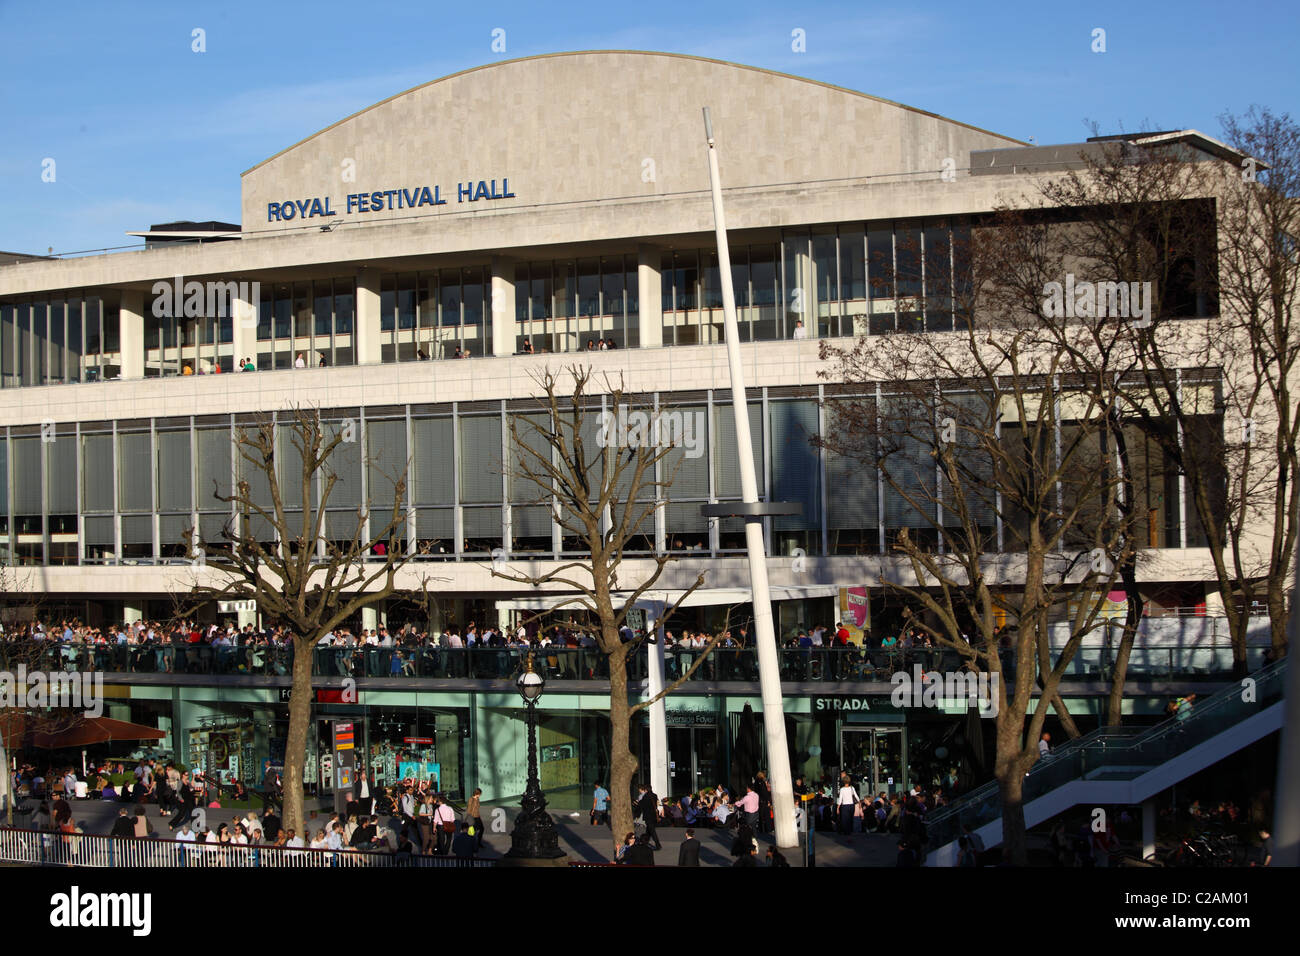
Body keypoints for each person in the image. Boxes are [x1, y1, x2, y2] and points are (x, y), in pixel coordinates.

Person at [635, 784, 662, 850]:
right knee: (649, 831)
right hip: (654, 816)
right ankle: (644, 842)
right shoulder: (655, 795)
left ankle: (658, 845)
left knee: (652, 831)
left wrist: (637, 814)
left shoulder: (645, 796)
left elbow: (641, 806)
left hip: (648, 816)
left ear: (646, 790)